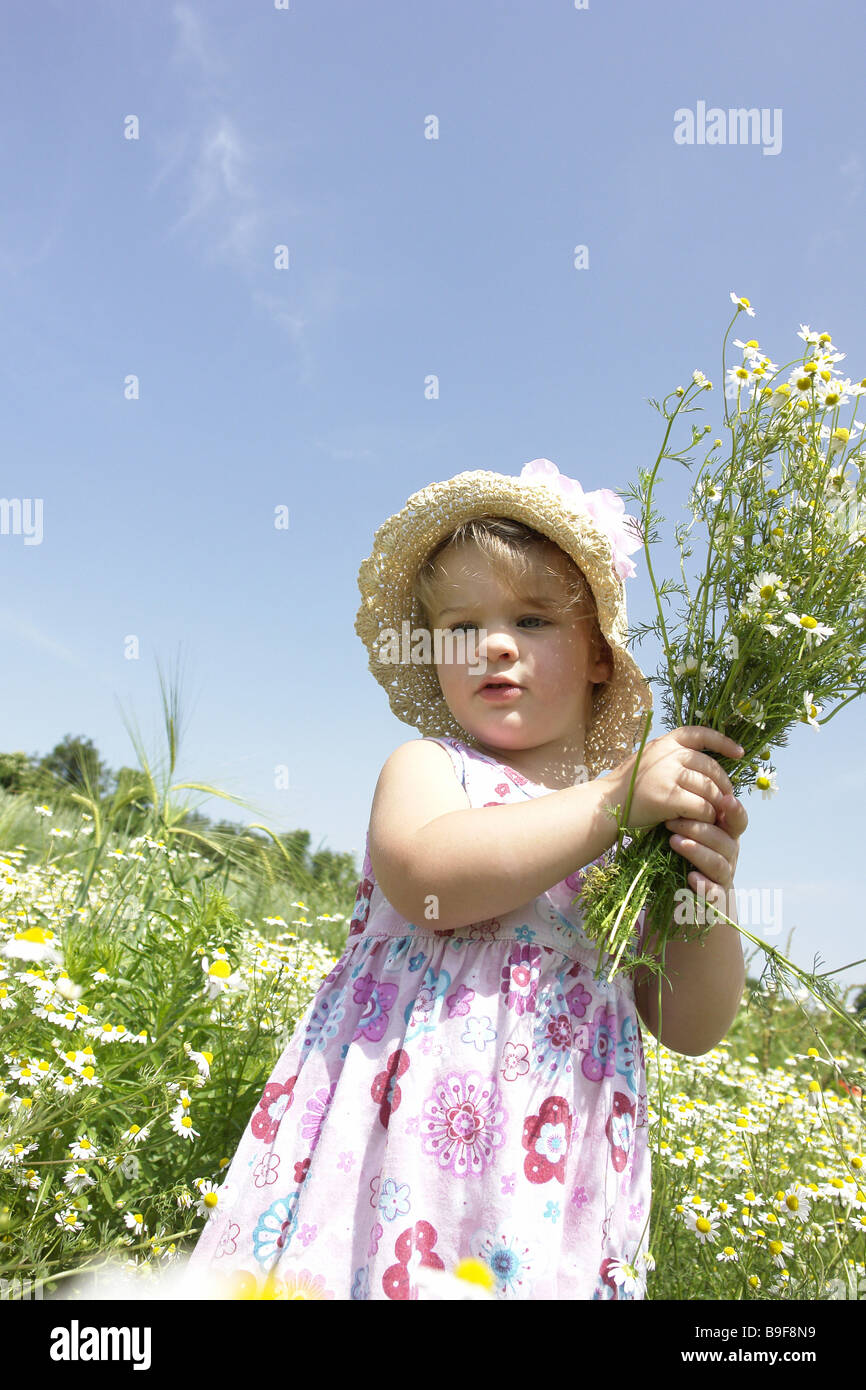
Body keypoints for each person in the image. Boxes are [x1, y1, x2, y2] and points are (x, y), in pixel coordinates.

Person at [182, 457, 748, 1300]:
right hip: (398, 1143)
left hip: (549, 1168)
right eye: (460, 626)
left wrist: (702, 887)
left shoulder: (630, 838)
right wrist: (612, 800)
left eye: (532, 618)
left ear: (599, 655)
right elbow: (427, 880)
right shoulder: (431, 770)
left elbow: (689, 1023)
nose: (492, 644)